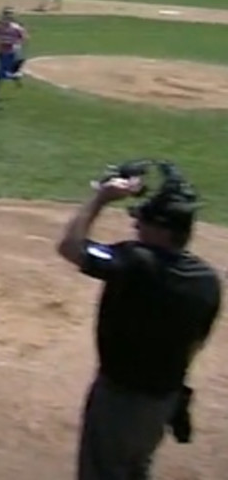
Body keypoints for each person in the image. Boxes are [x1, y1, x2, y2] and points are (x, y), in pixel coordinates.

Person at [56, 160, 222, 480]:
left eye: (143, 221)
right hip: (162, 401)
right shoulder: (207, 281)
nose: (136, 226)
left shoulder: (137, 263)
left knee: (103, 471)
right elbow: (195, 345)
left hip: (120, 402)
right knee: (135, 470)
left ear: (163, 230)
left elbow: (70, 247)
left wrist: (101, 198)